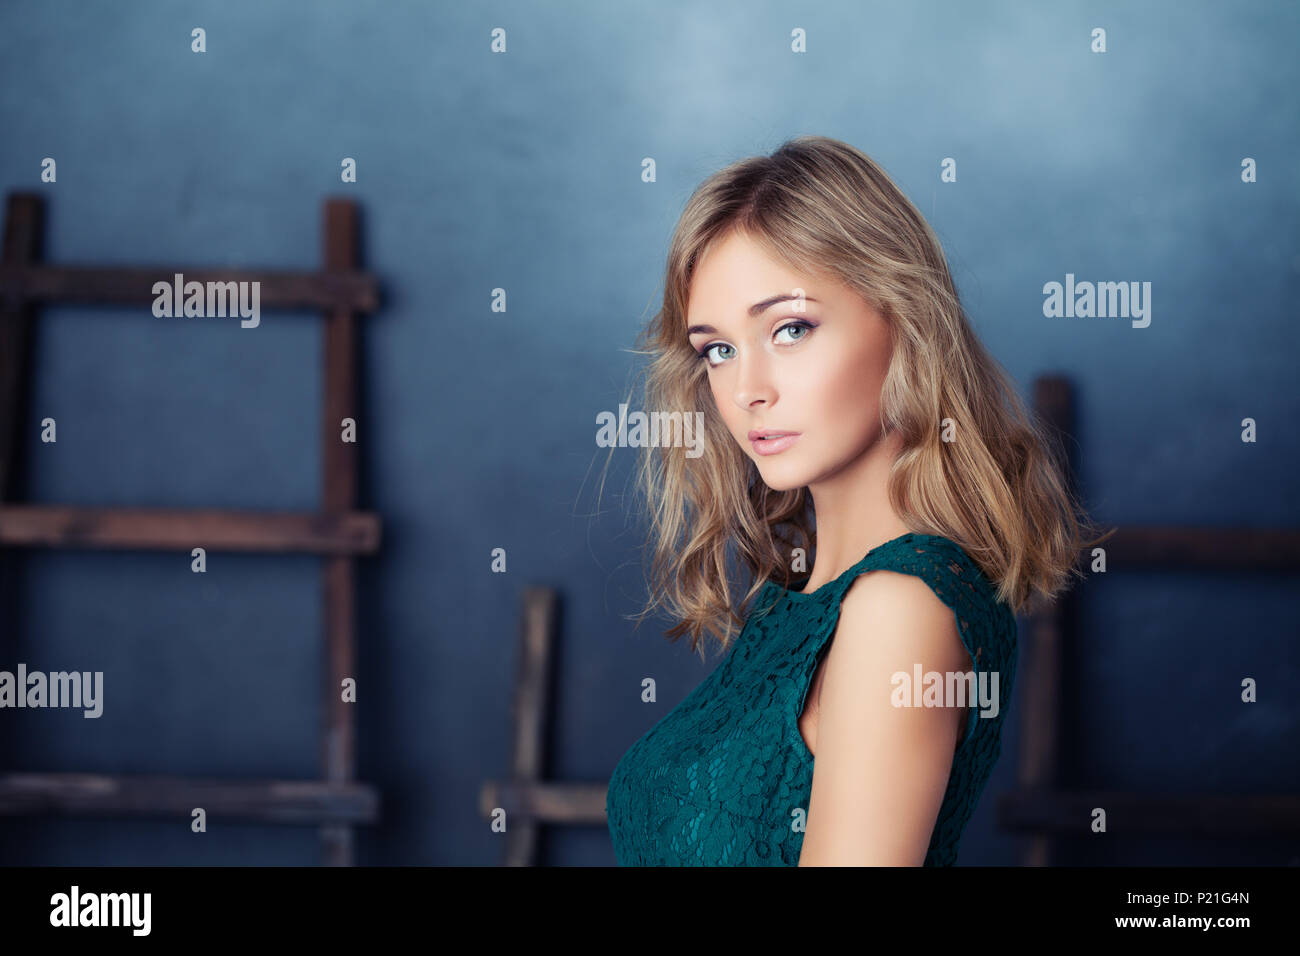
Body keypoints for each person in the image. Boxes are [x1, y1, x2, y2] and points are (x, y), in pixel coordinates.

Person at [603, 135, 1112, 866]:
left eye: (791, 329)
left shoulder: (901, 605)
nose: (748, 389)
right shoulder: (797, 601)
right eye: (717, 348)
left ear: (904, 319)